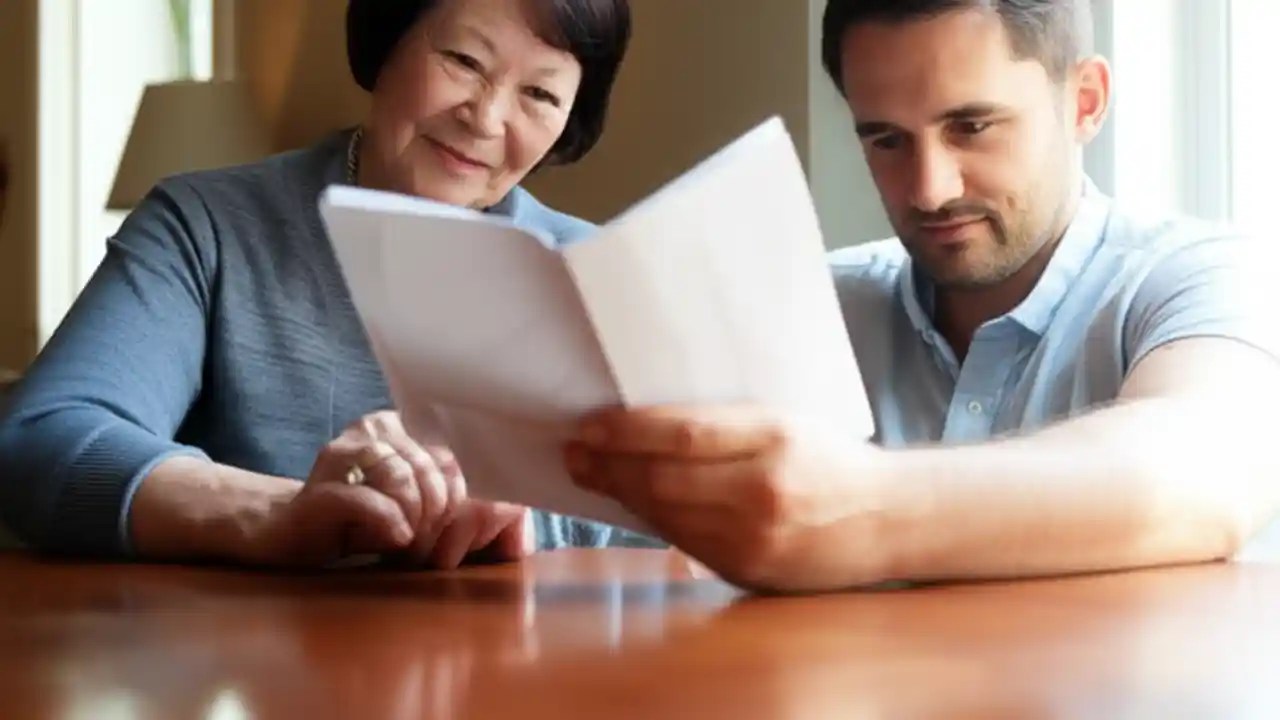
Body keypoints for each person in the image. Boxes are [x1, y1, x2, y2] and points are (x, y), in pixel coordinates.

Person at [565, 0, 1280, 592]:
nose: (930, 189)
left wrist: (858, 509)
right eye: (885, 141)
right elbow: (629, 532)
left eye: (971, 127)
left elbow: (1205, 474)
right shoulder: (813, 304)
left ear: (1084, 102)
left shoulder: (1200, 276)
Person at [0, 0, 651, 567]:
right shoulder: (207, 228)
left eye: (539, 95)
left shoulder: (593, 274)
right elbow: (41, 442)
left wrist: (521, 519)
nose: (485, 118)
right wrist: (283, 512)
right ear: (388, 40)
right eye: (463, 60)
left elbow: (670, 524)